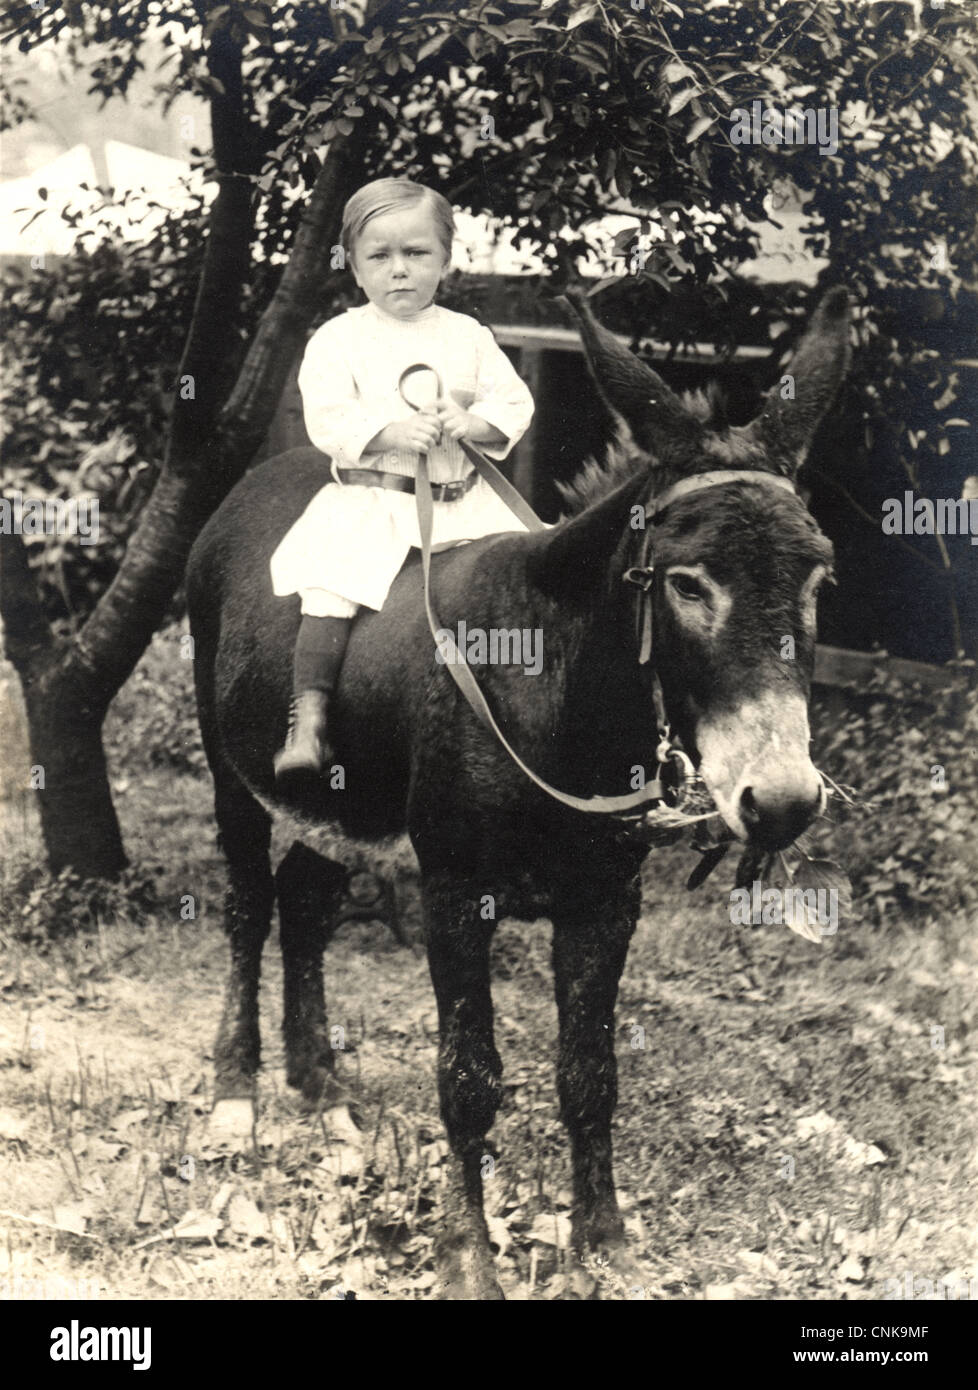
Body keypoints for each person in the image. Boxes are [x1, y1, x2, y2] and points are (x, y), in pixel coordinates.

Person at [270, 178, 535, 789]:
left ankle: (527, 710)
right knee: (331, 591)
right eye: (379, 257)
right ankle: (308, 718)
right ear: (354, 267)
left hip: (463, 502)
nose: (399, 271)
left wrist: (473, 422)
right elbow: (328, 417)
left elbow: (513, 400)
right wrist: (389, 432)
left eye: (416, 254)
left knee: (527, 578)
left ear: (445, 257)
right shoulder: (340, 338)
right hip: (373, 502)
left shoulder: (467, 335)